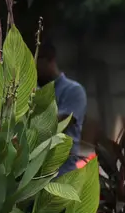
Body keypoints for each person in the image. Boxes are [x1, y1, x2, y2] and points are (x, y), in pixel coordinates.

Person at [36, 39, 88, 176]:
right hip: (36, 175)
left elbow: (61, 121)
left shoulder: (73, 90)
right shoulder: (36, 92)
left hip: (63, 174)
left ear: (50, 60)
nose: (35, 72)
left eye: (37, 66)